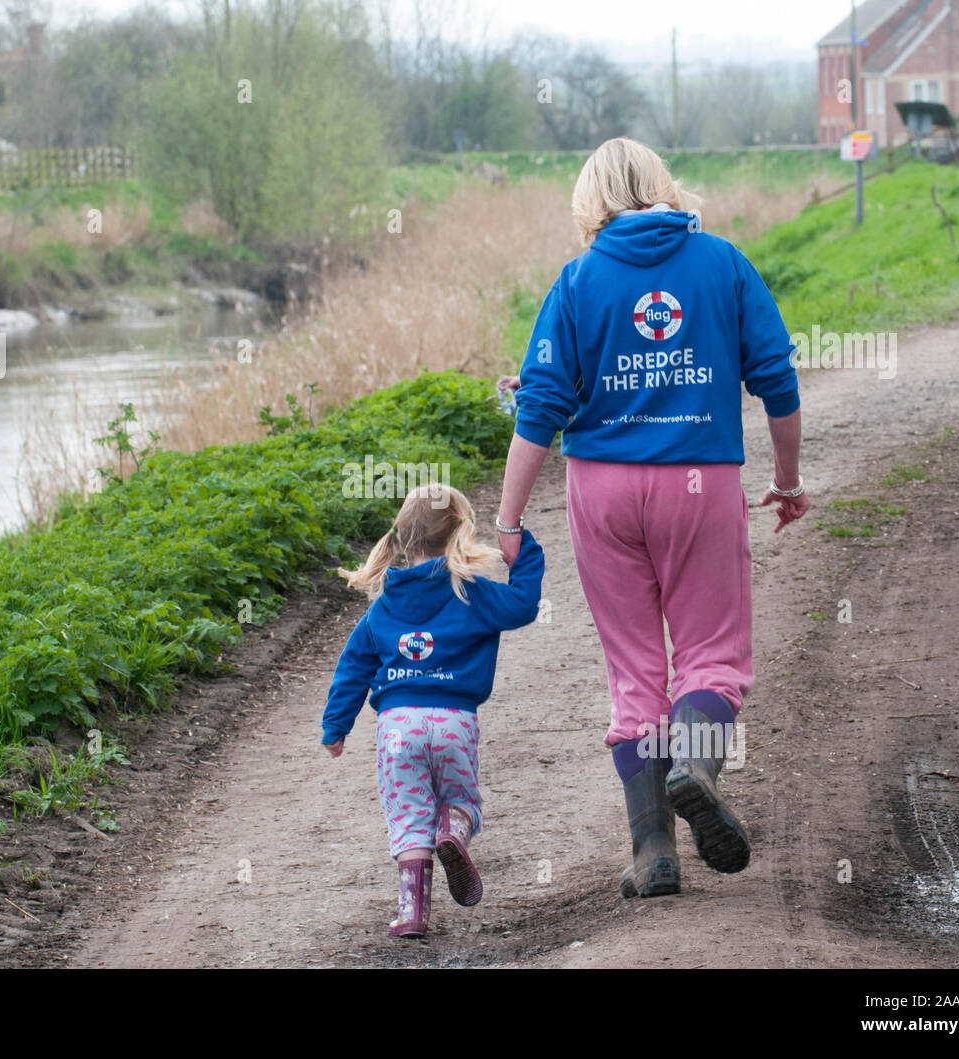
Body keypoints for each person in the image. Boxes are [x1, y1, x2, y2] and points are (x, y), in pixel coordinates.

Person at [495, 137, 809, 899]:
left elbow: (541, 408)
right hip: (700, 479)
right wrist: (789, 481)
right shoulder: (723, 263)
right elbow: (776, 379)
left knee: (636, 671)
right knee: (710, 653)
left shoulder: (577, 281)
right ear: (665, 186)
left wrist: (506, 522)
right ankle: (694, 767)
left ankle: (652, 855)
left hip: (601, 489)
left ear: (590, 201)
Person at [321, 483, 543, 937]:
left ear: (402, 541)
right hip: (454, 723)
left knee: (407, 817)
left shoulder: (382, 608)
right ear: (460, 534)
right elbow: (522, 605)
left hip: (397, 728)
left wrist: (336, 726)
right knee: (460, 801)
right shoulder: (473, 593)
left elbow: (352, 668)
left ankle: (412, 914)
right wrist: (526, 547)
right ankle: (454, 832)